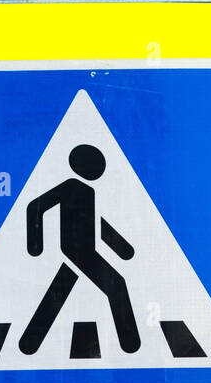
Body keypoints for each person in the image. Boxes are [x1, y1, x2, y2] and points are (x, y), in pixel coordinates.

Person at [20, 144, 141, 355]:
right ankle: (130, 342)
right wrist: (35, 246)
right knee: (116, 285)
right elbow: (35, 207)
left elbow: (96, 223)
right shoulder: (70, 186)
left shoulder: (87, 191)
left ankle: (29, 344)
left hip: (82, 250)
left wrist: (122, 248)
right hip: (77, 251)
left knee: (59, 291)